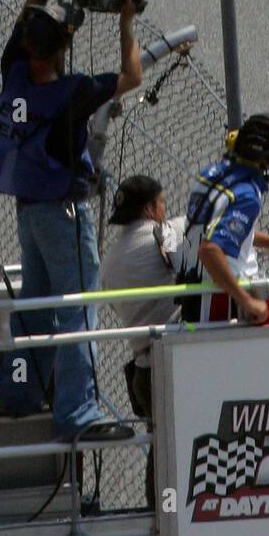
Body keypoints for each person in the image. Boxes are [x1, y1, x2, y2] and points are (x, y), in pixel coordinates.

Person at [0, 0, 145, 441]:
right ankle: (77, 413)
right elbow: (132, 75)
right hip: (64, 214)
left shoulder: (14, 69)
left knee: (35, 303)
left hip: (28, 211)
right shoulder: (73, 91)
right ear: (61, 48)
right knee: (77, 308)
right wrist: (126, 21)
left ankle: (17, 391)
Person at [177, 113, 269, 325]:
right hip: (222, 301)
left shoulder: (209, 175)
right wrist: (247, 301)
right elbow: (210, 250)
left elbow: (224, 231)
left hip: (195, 294)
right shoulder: (247, 196)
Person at [101, 175, 184, 420]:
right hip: (177, 360)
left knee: (159, 442)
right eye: (162, 202)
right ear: (149, 209)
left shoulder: (108, 265)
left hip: (143, 375)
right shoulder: (167, 233)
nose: (165, 208)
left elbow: (116, 308)